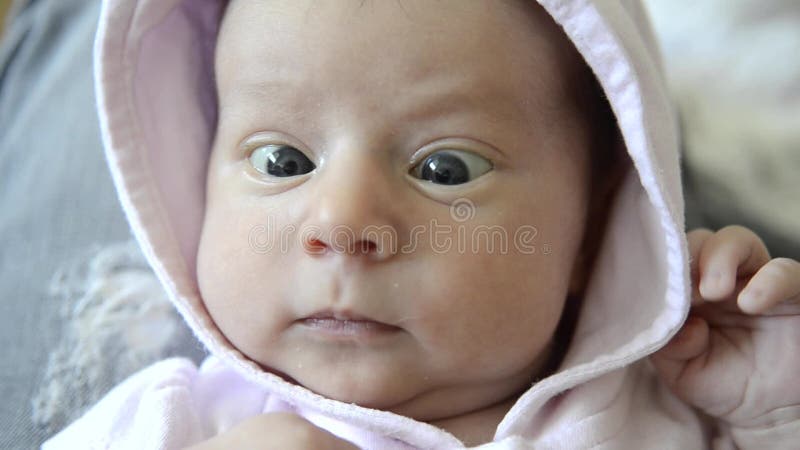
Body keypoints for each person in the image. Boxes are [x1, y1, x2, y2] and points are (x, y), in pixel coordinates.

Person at [43, 0, 800, 448]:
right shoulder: (180, 418)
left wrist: (771, 412)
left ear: (596, 225)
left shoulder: (668, 407)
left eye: (444, 170)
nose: (340, 224)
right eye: (280, 161)